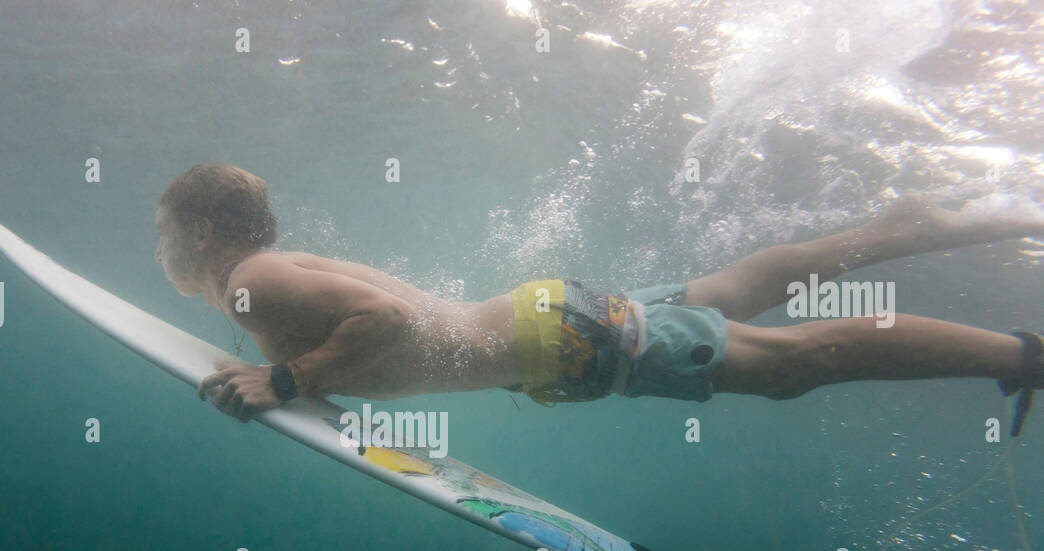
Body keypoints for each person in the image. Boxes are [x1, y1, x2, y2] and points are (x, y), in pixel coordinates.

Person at [155, 164, 1044, 433]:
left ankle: (1019, 354)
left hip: (563, 345)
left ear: (200, 232)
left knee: (793, 367)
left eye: (164, 231)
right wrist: (296, 374)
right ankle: (899, 225)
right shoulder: (269, 274)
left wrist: (282, 381)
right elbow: (383, 330)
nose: (158, 250)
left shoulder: (246, 283)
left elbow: (383, 322)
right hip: (552, 326)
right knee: (732, 293)